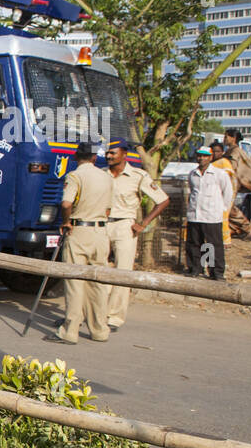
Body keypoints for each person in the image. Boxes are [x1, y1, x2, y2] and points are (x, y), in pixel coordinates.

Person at [45, 141, 113, 344]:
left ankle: (70, 330)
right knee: (98, 282)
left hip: (80, 230)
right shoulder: (106, 177)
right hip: (101, 232)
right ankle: (100, 330)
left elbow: (66, 203)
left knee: (75, 282)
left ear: (76, 157)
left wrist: (66, 222)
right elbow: (109, 209)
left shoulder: (75, 176)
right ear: (94, 157)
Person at [104, 143, 169, 330]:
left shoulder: (138, 176)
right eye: (107, 152)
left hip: (125, 225)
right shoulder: (102, 174)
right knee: (99, 269)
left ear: (124, 154)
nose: (109, 156)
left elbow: (163, 200)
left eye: (113, 153)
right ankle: (97, 311)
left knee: (123, 271)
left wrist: (144, 224)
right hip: (102, 224)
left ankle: (114, 317)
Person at [185, 143, 233, 280]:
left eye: (205, 156)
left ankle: (215, 272)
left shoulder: (219, 174)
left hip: (211, 216)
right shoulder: (192, 174)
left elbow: (227, 193)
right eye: (199, 156)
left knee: (212, 245)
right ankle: (195, 268)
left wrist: (221, 209)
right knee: (194, 244)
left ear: (210, 157)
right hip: (195, 215)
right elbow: (192, 192)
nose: (201, 159)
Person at [210, 135, 251, 241]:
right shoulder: (228, 152)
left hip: (229, 184)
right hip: (220, 186)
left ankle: (246, 227)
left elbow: (232, 169)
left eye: (227, 137)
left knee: (228, 209)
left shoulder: (235, 152)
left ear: (233, 138)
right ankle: (239, 229)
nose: (225, 139)